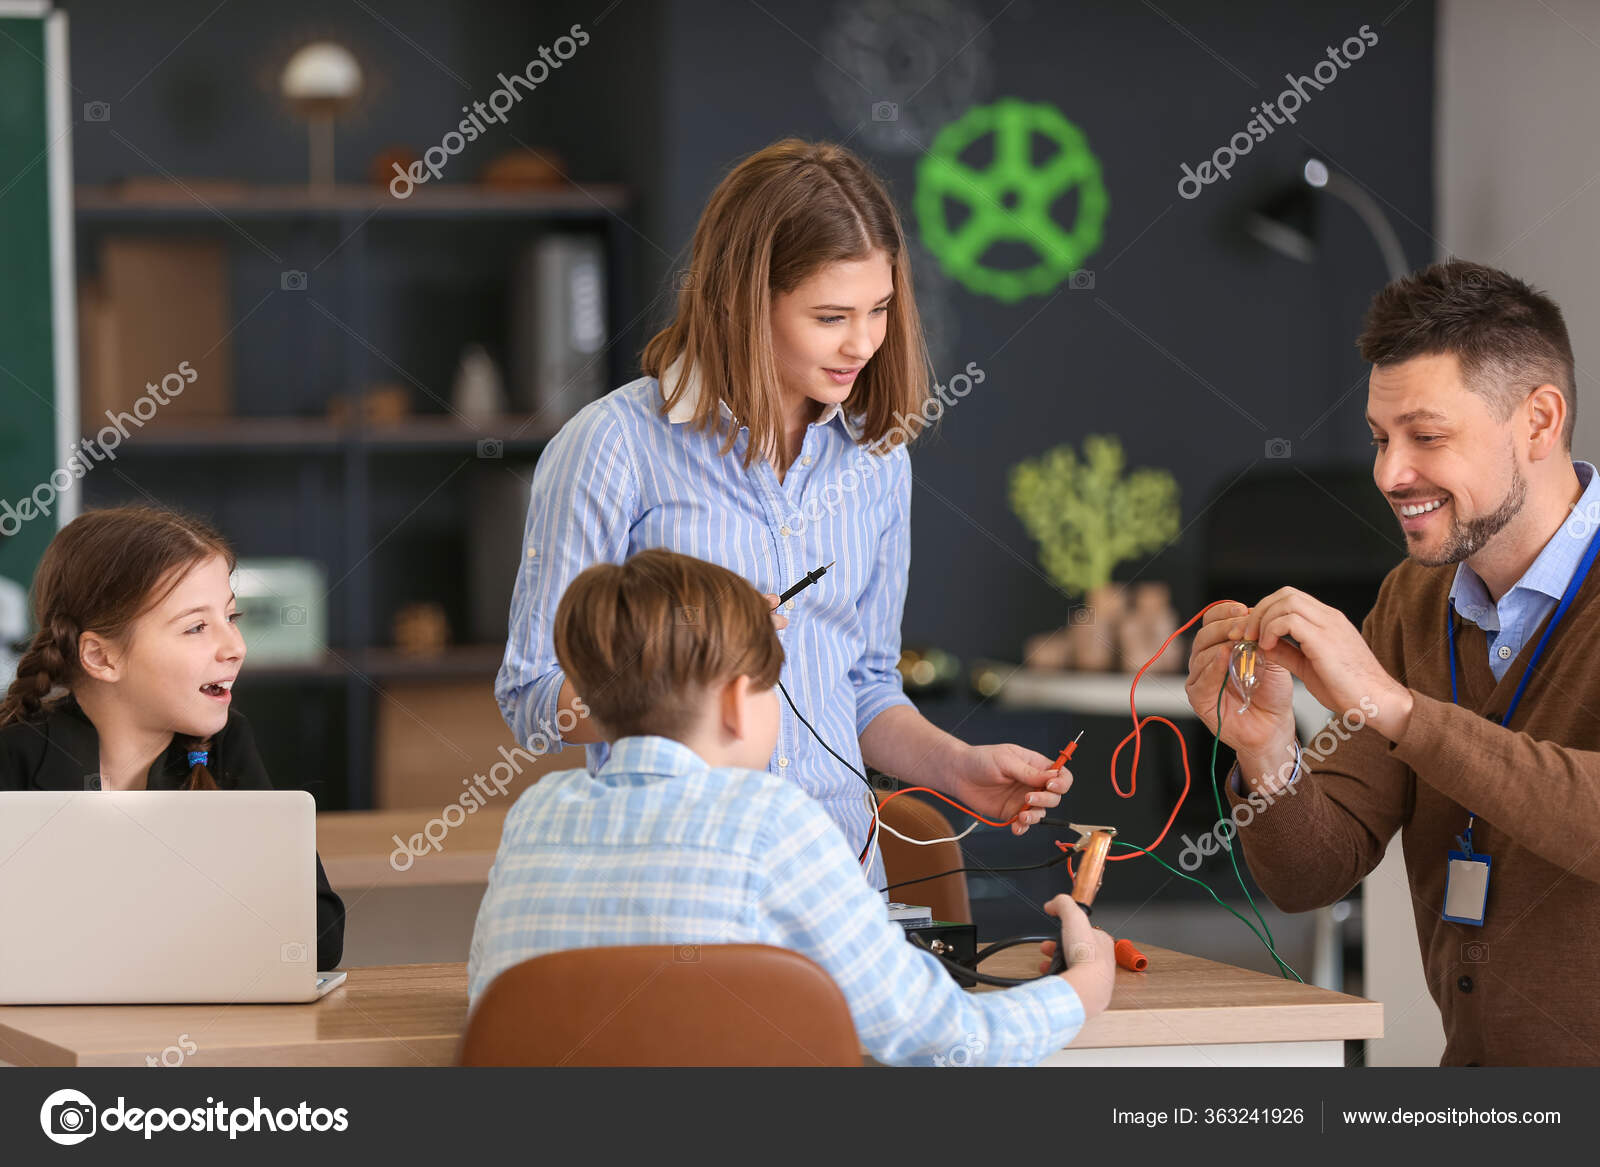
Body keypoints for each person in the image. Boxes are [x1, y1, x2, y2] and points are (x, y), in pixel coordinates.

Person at [496, 138, 1065, 893]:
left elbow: (864, 687)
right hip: (680, 884)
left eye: (880, 309)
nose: (862, 343)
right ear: (741, 301)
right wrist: (684, 669)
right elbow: (532, 698)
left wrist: (956, 767)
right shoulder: (613, 447)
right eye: (830, 316)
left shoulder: (878, 457)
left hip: (841, 885)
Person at [1185, 259, 1600, 1065]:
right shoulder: (1413, 601)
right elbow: (1313, 875)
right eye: (1380, 439)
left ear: (1539, 422)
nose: (1388, 474)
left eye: (1426, 436)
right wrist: (1267, 752)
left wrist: (1398, 708)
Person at [470, 548, 1114, 1065]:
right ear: (734, 700)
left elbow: (493, 1001)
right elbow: (940, 1038)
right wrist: (1079, 990)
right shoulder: (772, 820)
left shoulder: (535, 815)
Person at [0, 505, 345, 970]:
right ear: (101, 657)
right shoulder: (16, 755)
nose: (236, 647)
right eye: (196, 627)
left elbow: (319, 939)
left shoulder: (225, 746)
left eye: (232, 616)